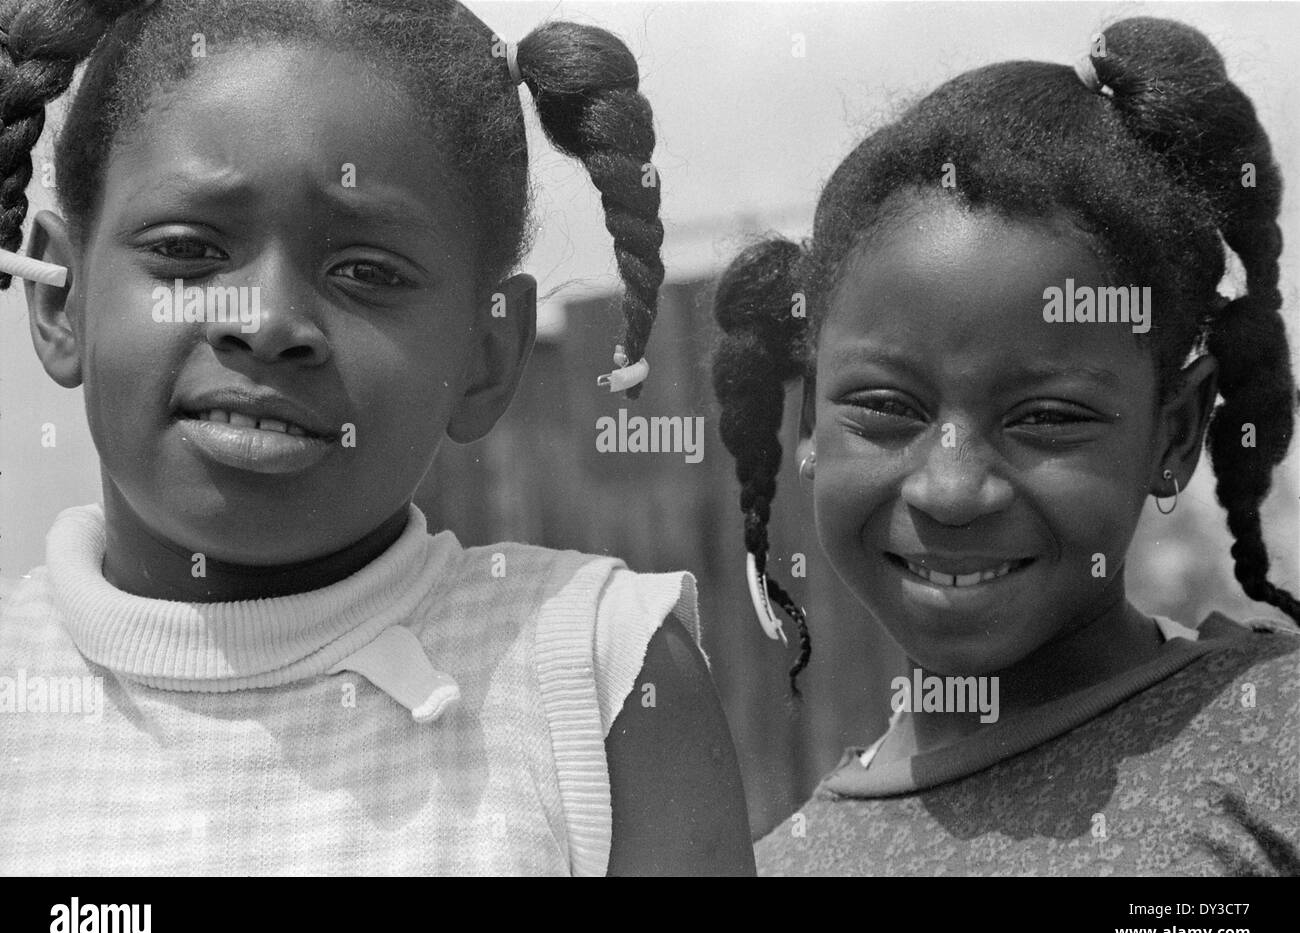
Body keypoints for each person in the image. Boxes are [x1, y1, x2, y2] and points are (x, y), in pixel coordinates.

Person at [0, 0, 753, 876]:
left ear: (486, 357)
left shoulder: (597, 686)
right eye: (188, 250)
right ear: (59, 297)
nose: (270, 321)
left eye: (365, 271)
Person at [712, 16, 1298, 875]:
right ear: (809, 426)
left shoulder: (1271, 738)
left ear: (1175, 430)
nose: (951, 489)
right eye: (885, 406)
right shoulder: (778, 864)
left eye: (1047, 418)